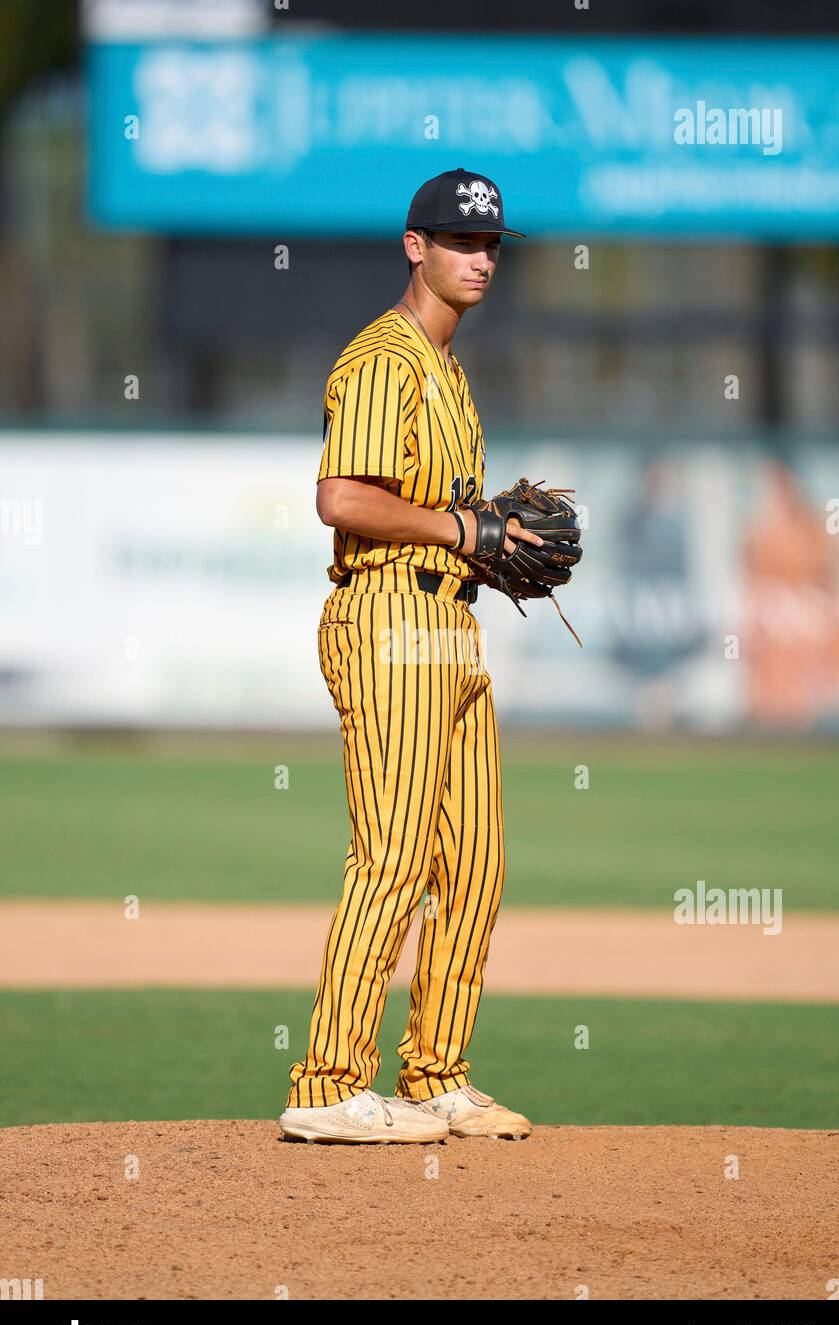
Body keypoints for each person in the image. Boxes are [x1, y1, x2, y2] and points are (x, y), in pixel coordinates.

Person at [278, 169, 539, 1144]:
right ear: (412, 245)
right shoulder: (382, 359)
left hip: (450, 625)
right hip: (386, 616)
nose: (478, 256)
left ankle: (432, 1072)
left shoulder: (451, 370)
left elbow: (452, 524)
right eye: (457, 238)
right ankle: (326, 1083)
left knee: (472, 862)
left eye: (490, 244)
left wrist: (480, 543)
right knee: (390, 853)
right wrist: (453, 524)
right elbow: (340, 498)